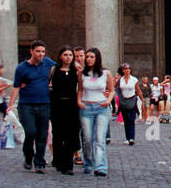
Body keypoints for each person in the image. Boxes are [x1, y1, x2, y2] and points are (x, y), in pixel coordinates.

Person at [12, 39, 54, 173]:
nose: (41, 54)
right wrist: (10, 105)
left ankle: (39, 162)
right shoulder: (21, 68)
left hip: (44, 104)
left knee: (42, 134)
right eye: (38, 51)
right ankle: (29, 154)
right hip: (26, 105)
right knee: (30, 132)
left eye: (42, 51)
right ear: (31, 52)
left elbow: (62, 67)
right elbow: (16, 87)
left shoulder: (48, 63)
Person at [79, 47, 114, 175]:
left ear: (97, 58)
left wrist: (108, 100)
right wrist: (79, 101)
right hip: (86, 108)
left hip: (102, 108)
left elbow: (112, 90)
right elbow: (80, 90)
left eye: (91, 57)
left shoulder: (106, 73)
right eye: (87, 57)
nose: (88, 59)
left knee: (99, 139)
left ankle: (100, 167)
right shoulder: (82, 73)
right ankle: (88, 162)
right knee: (87, 138)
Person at [48, 46, 82, 175]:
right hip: (57, 105)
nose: (68, 57)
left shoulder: (76, 70)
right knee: (58, 134)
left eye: (70, 55)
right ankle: (58, 160)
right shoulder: (54, 70)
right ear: (60, 56)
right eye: (65, 54)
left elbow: (80, 87)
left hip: (71, 105)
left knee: (71, 134)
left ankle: (68, 165)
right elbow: (49, 85)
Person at [116, 63, 141, 144]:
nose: (127, 70)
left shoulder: (134, 79)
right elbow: (112, 87)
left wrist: (142, 101)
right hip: (123, 102)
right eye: (125, 69)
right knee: (126, 120)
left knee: (131, 119)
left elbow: (138, 90)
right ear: (122, 70)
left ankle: (132, 138)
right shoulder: (120, 80)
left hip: (132, 101)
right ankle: (127, 137)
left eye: (129, 68)